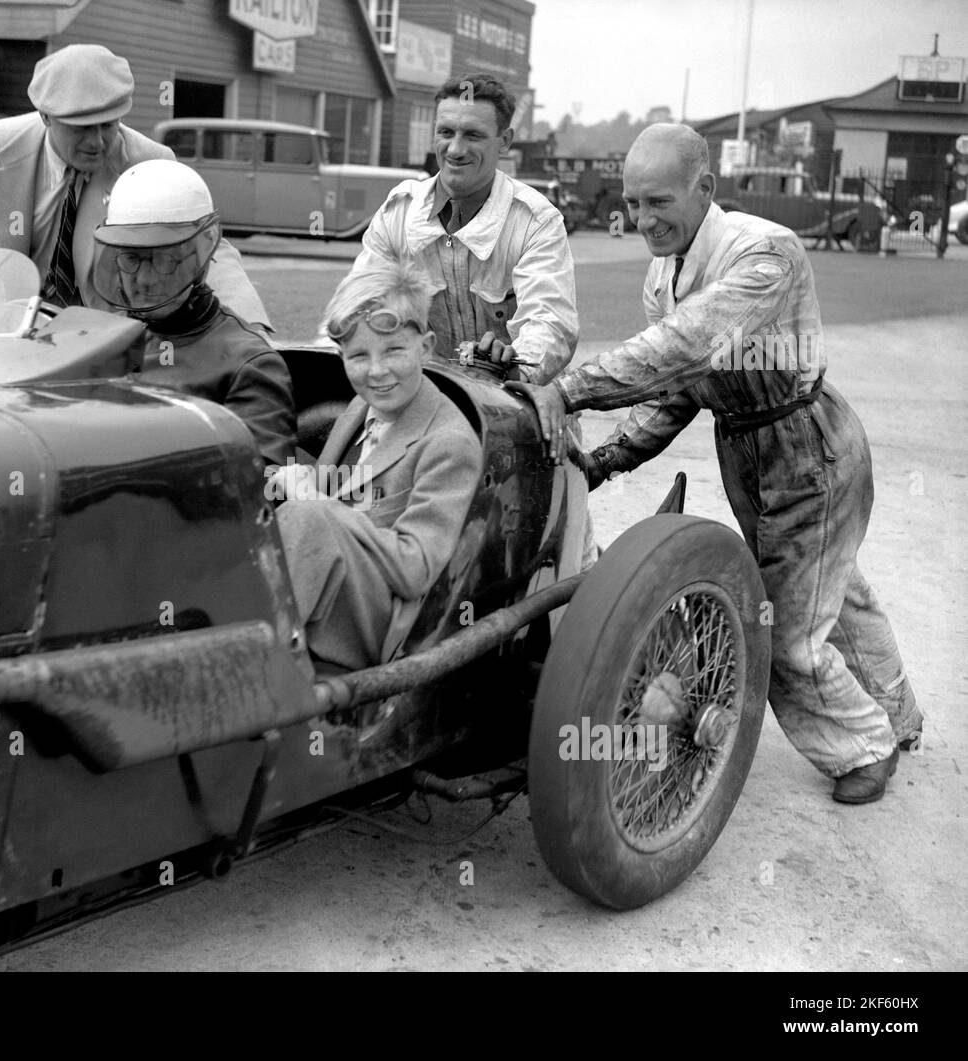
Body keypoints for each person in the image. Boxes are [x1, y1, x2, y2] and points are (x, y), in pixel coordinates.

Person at [506, 123, 921, 805]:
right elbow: (679, 392)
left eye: (659, 202)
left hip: (809, 446)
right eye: (633, 202)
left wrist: (569, 388)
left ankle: (864, 747)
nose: (642, 219)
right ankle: (899, 715)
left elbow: (686, 345)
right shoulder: (660, 277)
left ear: (706, 188)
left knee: (784, 631)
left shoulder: (767, 253)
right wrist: (604, 458)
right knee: (834, 591)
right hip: (748, 448)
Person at [0, 44, 269, 329]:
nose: (98, 141)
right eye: (82, 128)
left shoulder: (150, 160)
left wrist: (251, 325)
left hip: (100, 336)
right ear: (45, 117)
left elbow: (205, 246)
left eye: (108, 125)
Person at [268, 260, 484, 671]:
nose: (377, 371)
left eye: (394, 351)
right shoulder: (358, 407)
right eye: (358, 357)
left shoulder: (449, 443)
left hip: (379, 629)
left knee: (309, 516)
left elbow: (417, 569)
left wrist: (316, 503)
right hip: (325, 591)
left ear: (426, 347)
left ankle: (256, 663)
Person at [349, 72, 577, 383]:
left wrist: (515, 367)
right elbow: (358, 306)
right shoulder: (397, 213)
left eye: (473, 135)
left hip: (511, 399)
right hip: (420, 397)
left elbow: (551, 323)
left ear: (505, 142)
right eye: (445, 132)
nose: (455, 150)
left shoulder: (535, 222)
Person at [92, 159, 295, 470]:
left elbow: (255, 487)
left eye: (163, 259)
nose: (144, 280)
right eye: (131, 258)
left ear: (204, 250)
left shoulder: (248, 364)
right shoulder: (97, 338)